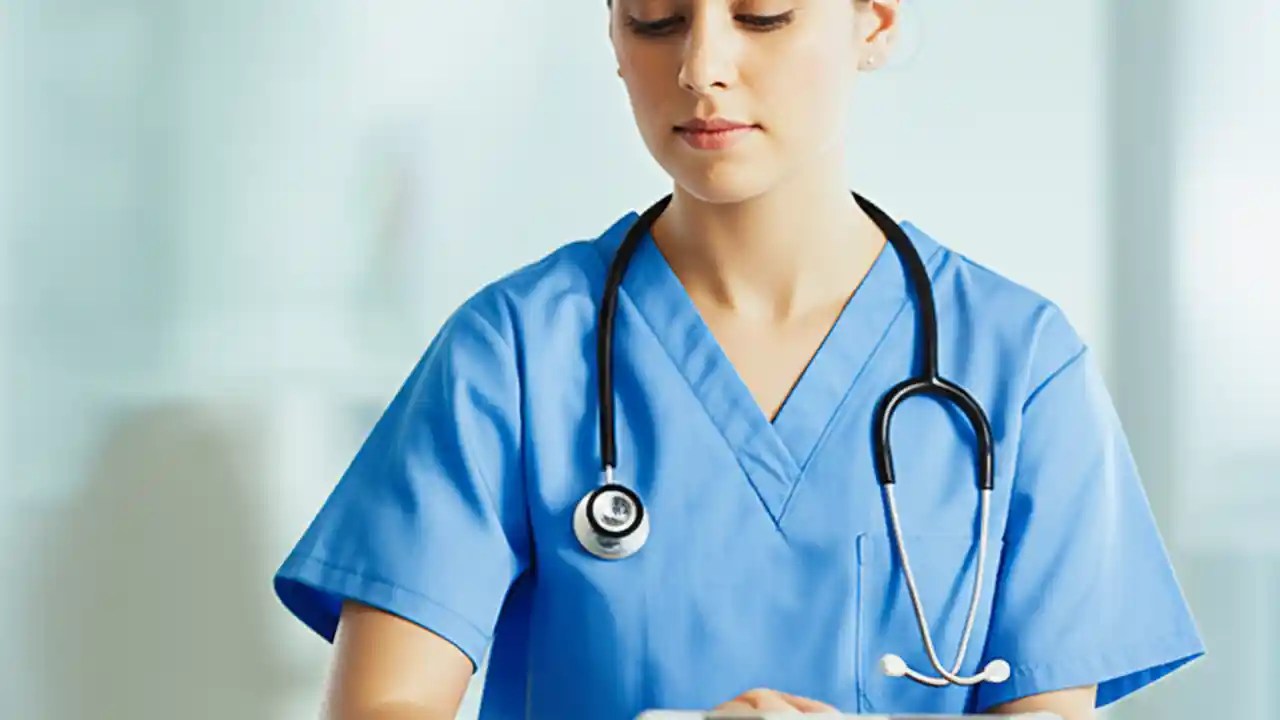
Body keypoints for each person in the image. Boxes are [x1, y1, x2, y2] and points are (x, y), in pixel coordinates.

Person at [273, 1, 1204, 718]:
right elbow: (383, 703)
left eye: (762, 15)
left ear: (872, 21)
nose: (700, 66)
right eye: (655, 20)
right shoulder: (514, 353)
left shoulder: (1017, 365)